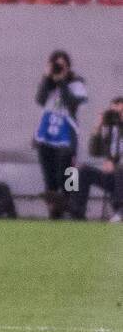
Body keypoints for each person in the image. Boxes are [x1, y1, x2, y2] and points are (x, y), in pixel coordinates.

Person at [34, 50, 88, 219]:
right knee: (49, 177)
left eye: (61, 64)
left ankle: (73, 207)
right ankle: (54, 212)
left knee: (68, 173)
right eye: (55, 64)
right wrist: (46, 77)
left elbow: (72, 103)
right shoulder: (48, 83)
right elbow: (40, 100)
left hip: (67, 135)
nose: (58, 67)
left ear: (68, 66)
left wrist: (62, 81)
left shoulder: (77, 83)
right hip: (47, 134)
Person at [81, 95, 123, 222]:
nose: (117, 116)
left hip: (120, 174)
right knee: (76, 171)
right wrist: (98, 127)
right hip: (113, 178)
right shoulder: (110, 130)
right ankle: (75, 211)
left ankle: (120, 211)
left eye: (120, 112)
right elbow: (94, 152)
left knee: (120, 170)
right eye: (114, 112)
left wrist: (115, 164)